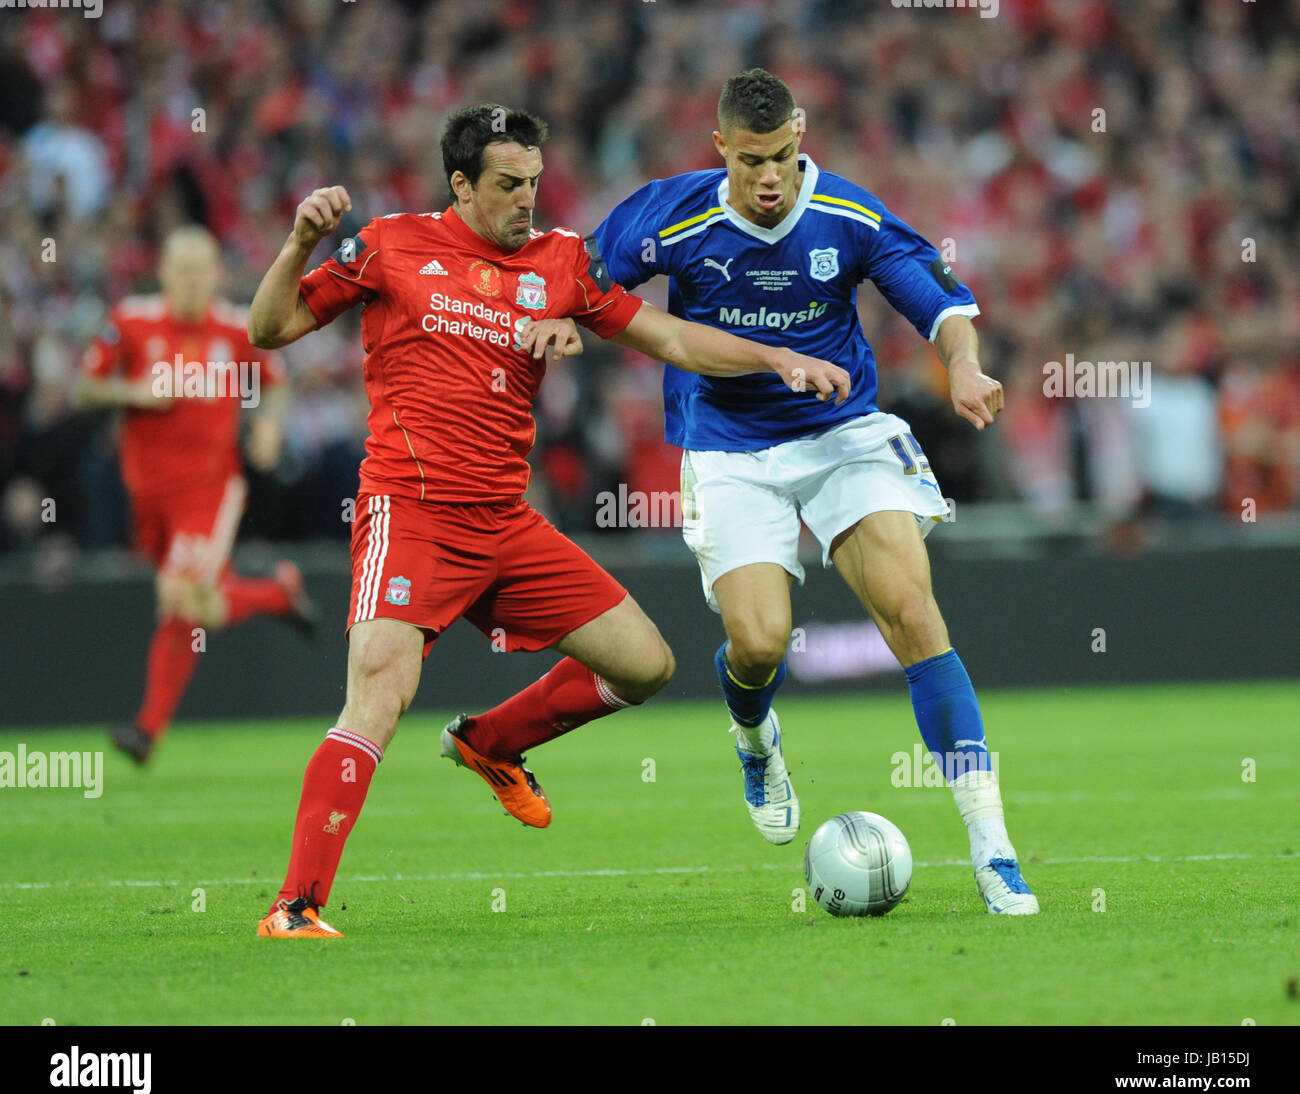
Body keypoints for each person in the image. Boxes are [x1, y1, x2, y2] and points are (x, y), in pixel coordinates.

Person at [246, 103, 849, 938]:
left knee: (645, 665)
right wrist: (298, 245)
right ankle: (296, 905)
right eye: (506, 185)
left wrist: (776, 357)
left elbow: (670, 339)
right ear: (460, 183)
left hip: (506, 521)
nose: (526, 199)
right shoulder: (389, 245)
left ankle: (491, 742)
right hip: (412, 511)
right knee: (378, 697)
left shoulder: (560, 263)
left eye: (533, 181)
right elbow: (269, 328)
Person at [587, 68, 1038, 914]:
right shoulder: (669, 213)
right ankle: (756, 739)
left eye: (784, 155)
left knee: (914, 615)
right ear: (720, 146)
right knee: (759, 645)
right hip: (727, 448)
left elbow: (937, 303)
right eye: (751, 159)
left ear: (801, 134)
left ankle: (992, 846)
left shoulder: (848, 215)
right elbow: (581, 278)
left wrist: (967, 368)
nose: (768, 177)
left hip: (842, 436)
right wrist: (555, 319)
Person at [78, 226, 316, 765]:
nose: (190, 280)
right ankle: (277, 593)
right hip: (147, 496)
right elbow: (84, 388)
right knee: (198, 605)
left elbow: (275, 382)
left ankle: (146, 730)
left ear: (216, 274)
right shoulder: (130, 322)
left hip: (210, 491)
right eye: (180, 269)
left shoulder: (234, 330)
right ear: (162, 272)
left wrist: (270, 429)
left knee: (177, 596)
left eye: (200, 269)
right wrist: (134, 390)